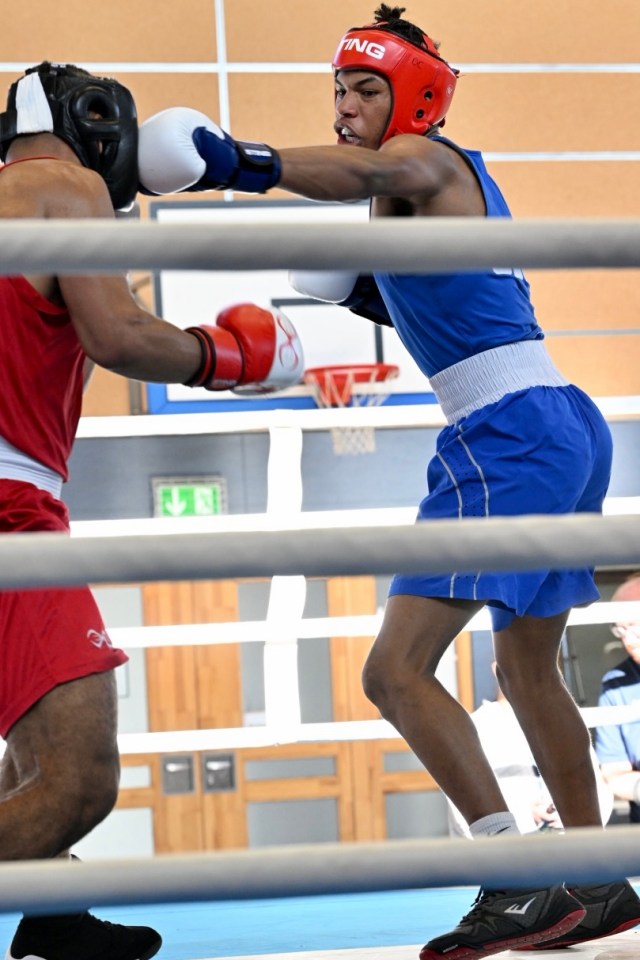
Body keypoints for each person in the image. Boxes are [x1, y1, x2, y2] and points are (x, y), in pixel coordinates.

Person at [136, 5, 640, 957]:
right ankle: (596, 880)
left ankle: (516, 883)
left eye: (365, 88)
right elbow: (443, 293)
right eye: (338, 89)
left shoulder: (427, 162)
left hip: (508, 433)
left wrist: (234, 162)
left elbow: (373, 171)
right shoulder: (421, 201)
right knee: (528, 669)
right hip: (558, 420)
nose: (344, 106)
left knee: (392, 670)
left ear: (411, 99)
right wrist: (364, 286)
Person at [0, 61, 303, 960]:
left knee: (36, 736)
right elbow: (121, 335)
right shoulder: (63, 184)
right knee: (79, 777)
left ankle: (52, 911)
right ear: (94, 121)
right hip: (10, 506)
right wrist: (232, 357)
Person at [447, 663, 613, 837]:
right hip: (503, 857)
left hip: (568, 853)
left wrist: (576, 814)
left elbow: (599, 791)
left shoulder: (565, 723)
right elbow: (464, 815)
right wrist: (526, 816)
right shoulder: (475, 729)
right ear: (498, 668)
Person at [595, 574, 640, 822]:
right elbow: (614, 773)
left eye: (633, 624)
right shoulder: (616, 684)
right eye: (620, 628)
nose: (626, 636)